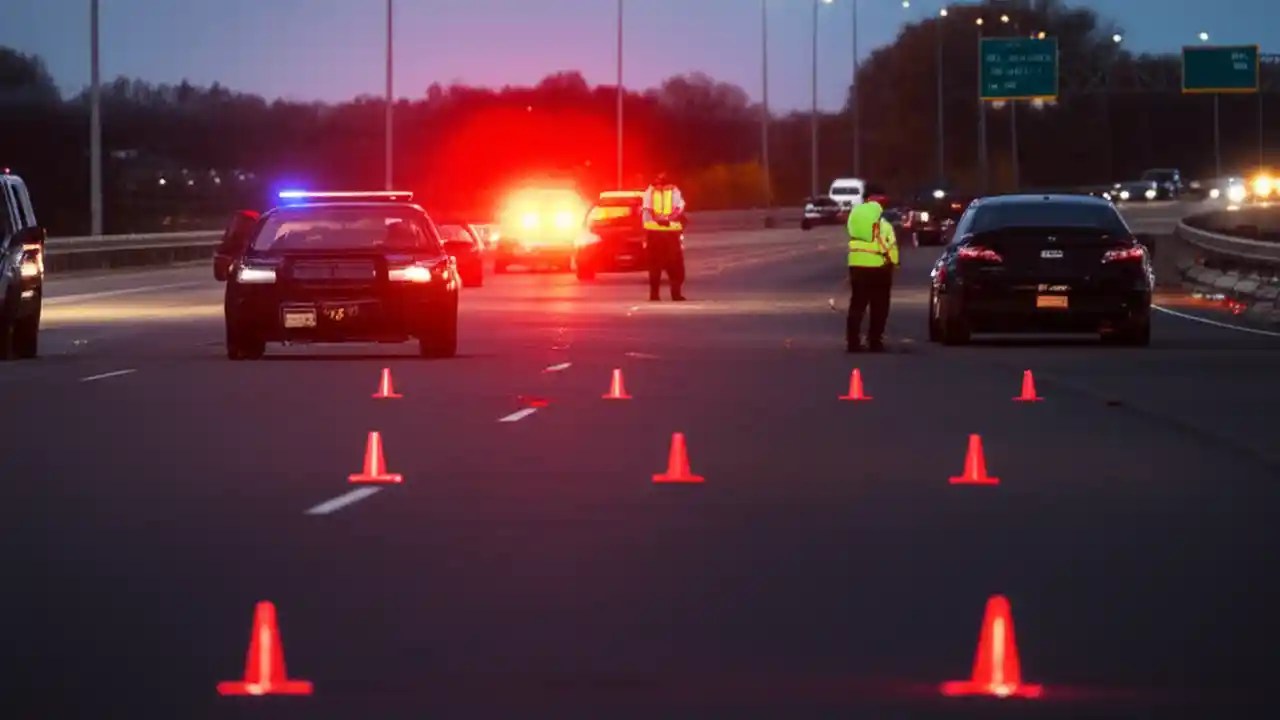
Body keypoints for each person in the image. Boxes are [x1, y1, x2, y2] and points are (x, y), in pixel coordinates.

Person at [845, 200, 900, 352]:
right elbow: (891, 246)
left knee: (857, 306)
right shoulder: (884, 226)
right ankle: (874, 340)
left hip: (857, 267)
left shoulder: (856, 228)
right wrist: (894, 263)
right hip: (879, 268)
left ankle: (853, 342)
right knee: (880, 306)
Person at [641, 172, 687, 301]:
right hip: (670, 233)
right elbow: (680, 208)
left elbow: (646, 211)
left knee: (654, 268)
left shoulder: (649, 191)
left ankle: (654, 295)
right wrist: (669, 219)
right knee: (676, 267)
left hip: (653, 234)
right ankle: (675, 294)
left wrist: (646, 230)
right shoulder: (674, 191)